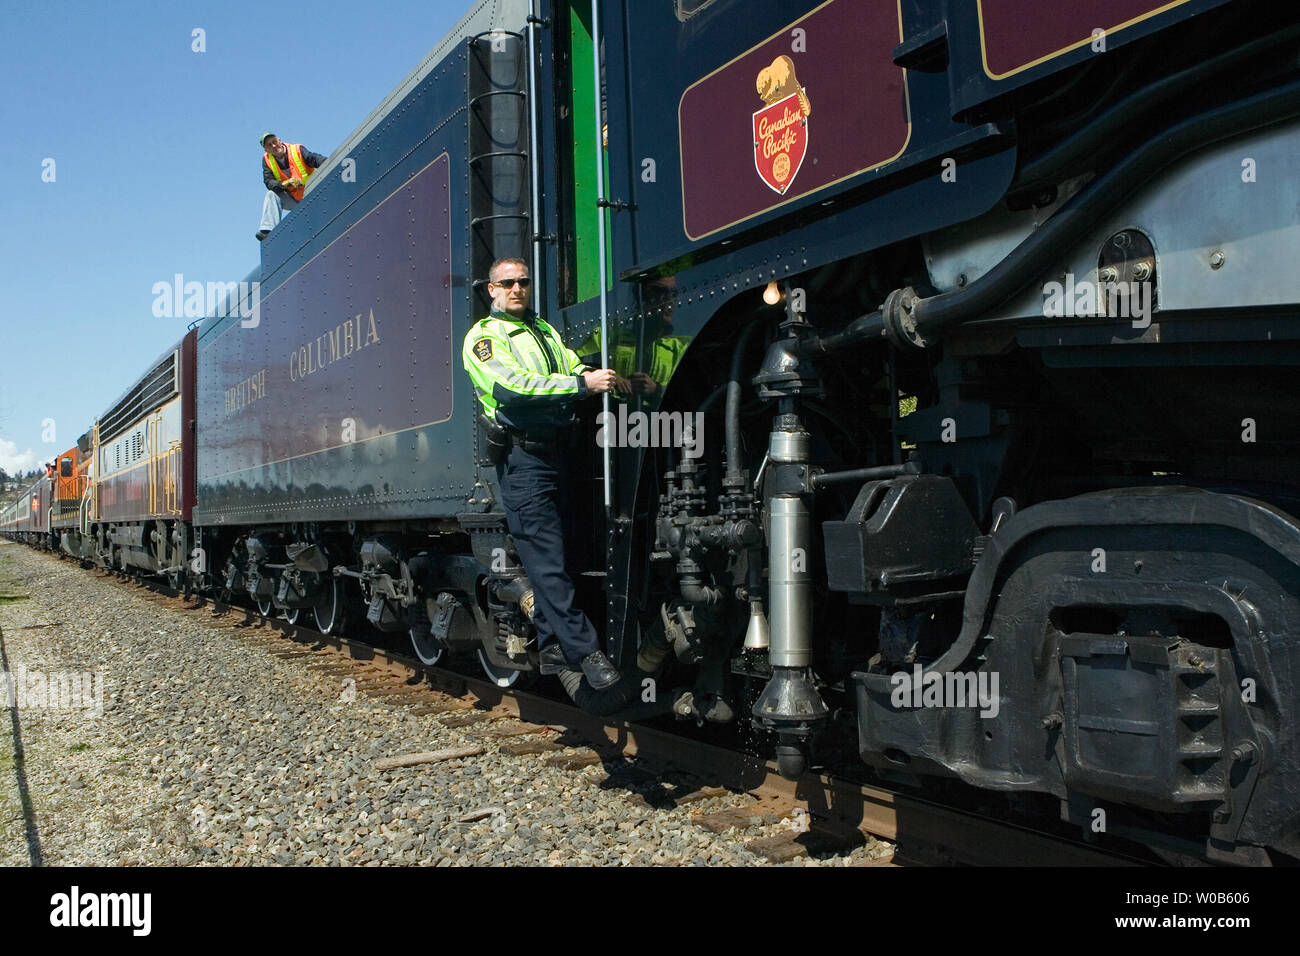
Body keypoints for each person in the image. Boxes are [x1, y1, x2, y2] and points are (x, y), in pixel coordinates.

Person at [462, 257, 626, 691]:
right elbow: (511, 388)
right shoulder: (484, 338)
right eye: (507, 283)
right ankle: (586, 653)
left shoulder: (543, 331)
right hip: (524, 461)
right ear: (491, 290)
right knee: (548, 563)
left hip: (558, 455)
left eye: (523, 281)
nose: (516, 288)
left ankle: (553, 647)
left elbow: (570, 364)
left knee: (561, 557)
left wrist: (603, 376)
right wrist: (582, 387)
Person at [256, 132, 326, 241]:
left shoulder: (296, 149)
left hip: (311, 193)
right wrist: (284, 184)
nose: (273, 145)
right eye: (269, 145)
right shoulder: (267, 160)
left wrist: (331, 162)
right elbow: (269, 182)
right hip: (293, 199)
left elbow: (314, 159)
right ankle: (268, 231)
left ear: (280, 140)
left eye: (274, 141)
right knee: (271, 195)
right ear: (266, 150)